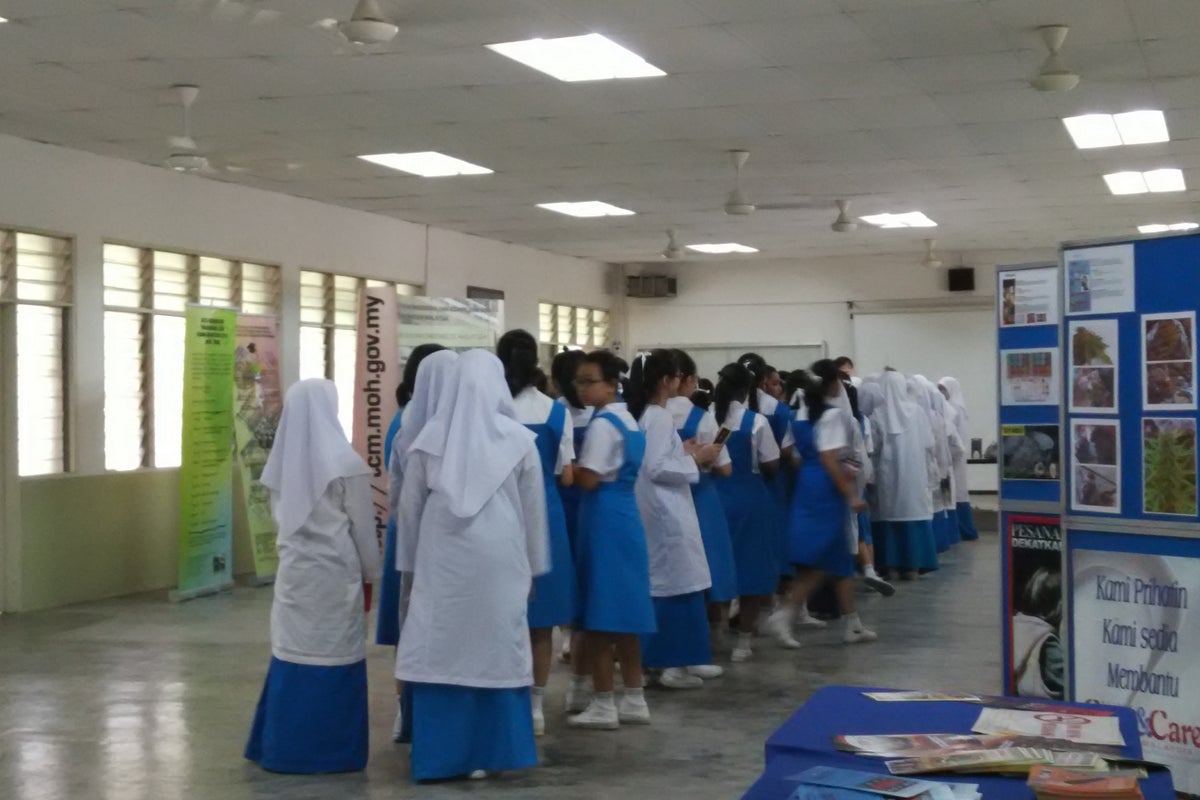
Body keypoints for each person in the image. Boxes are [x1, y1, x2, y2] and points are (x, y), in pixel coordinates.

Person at [394, 350, 548, 781]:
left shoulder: (427, 442)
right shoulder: (520, 442)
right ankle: (494, 750)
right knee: (495, 644)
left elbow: (410, 515)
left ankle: (445, 753)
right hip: (501, 560)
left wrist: (407, 572)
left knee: (441, 643)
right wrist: (534, 571)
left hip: (441, 560)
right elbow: (534, 517)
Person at [245, 379, 381, 774]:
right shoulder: (347, 463)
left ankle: (284, 747)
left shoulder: (280, 465)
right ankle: (332, 751)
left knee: (293, 649)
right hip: (335, 574)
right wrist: (372, 573)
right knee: (335, 650)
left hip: (294, 575)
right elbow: (361, 531)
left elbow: (279, 520)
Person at [568, 350, 655, 730]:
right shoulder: (628, 419)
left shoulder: (602, 425)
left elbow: (588, 479)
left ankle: (604, 703)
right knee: (625, 613)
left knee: (602, 616)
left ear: (611, 384)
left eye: (589, 381)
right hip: (624, 515)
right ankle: (633, 698)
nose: (582, 388)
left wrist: (561, 466)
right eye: (579, 381)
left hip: (603, 517)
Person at [497, 330, 577, 736]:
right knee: (541, 619)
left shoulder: (487, 409)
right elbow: (566, 474)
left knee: (497, 613)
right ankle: (536, 706)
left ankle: (500, 699)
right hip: (544, 512)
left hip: (495, 510)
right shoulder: (554, 410)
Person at [627, 350, 722, 690]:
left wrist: (686, 451)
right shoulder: (659, 417)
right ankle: (670, 664)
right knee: (676, 582)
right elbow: (656, 467)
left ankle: (678, 659)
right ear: (666, 381)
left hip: (659, 506)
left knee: (679, 579)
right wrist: (698, 460)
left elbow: (657, 457)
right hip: (666, 508)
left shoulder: (648, 415)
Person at [770, 361, 878, 644]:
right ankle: (785, 614)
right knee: (819, 559)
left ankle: (853, 623)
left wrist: (807, 466)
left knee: (837, 558)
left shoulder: (800, 414)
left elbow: (787, 452)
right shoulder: (832, 417)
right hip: (826, 490)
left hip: (807, 484)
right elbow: (831, 458)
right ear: (832, 384)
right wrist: (851, 494)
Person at [377, 343, 447, 743]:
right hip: (422, 538)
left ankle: (407, 711)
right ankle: (409, 708)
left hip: (404, 535)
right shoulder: (419, 425)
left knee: (409, 624)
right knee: (416, 623)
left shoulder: (404, 421)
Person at [711, 362, 782, 663]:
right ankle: (744, 642)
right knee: (751, 569)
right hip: (750, 499)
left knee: (718, 568)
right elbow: (770, 464)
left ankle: (716, 633)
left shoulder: (706, 418)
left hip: (715, 498)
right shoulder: (755, 422)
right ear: (747, 389)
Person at [669, 350, 738, 655]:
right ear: (685, 380)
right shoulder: (703, 418)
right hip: (701, 497)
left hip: (664, 499)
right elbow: (725, 468)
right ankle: (710, 638)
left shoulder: (645, 414)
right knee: (713, 567)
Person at [871, 372, 939, 579]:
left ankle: (890, 567)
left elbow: (873, 447)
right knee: (914, 512)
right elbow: (929, 444)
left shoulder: (878, 414)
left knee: (890, 515)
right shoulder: (918, 412)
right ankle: (914, 566)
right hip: (916, 473)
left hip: (889, 474)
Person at [550, 348, 593, 665]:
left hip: (593, 496)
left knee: (591, 564)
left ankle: (589, 631)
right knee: (568, 564)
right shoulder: (556, 411)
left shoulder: (600, 412)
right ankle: (567, 633)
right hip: (568, 494)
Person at [937, 377, 979, 541]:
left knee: (959, 492)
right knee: (954, 493)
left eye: (943, 389)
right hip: (951, 455)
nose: (941, 392)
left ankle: (966, 530)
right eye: (939, 389)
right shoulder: (948, 408)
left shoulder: (955, 409)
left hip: (956, 455)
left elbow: (957, 437)